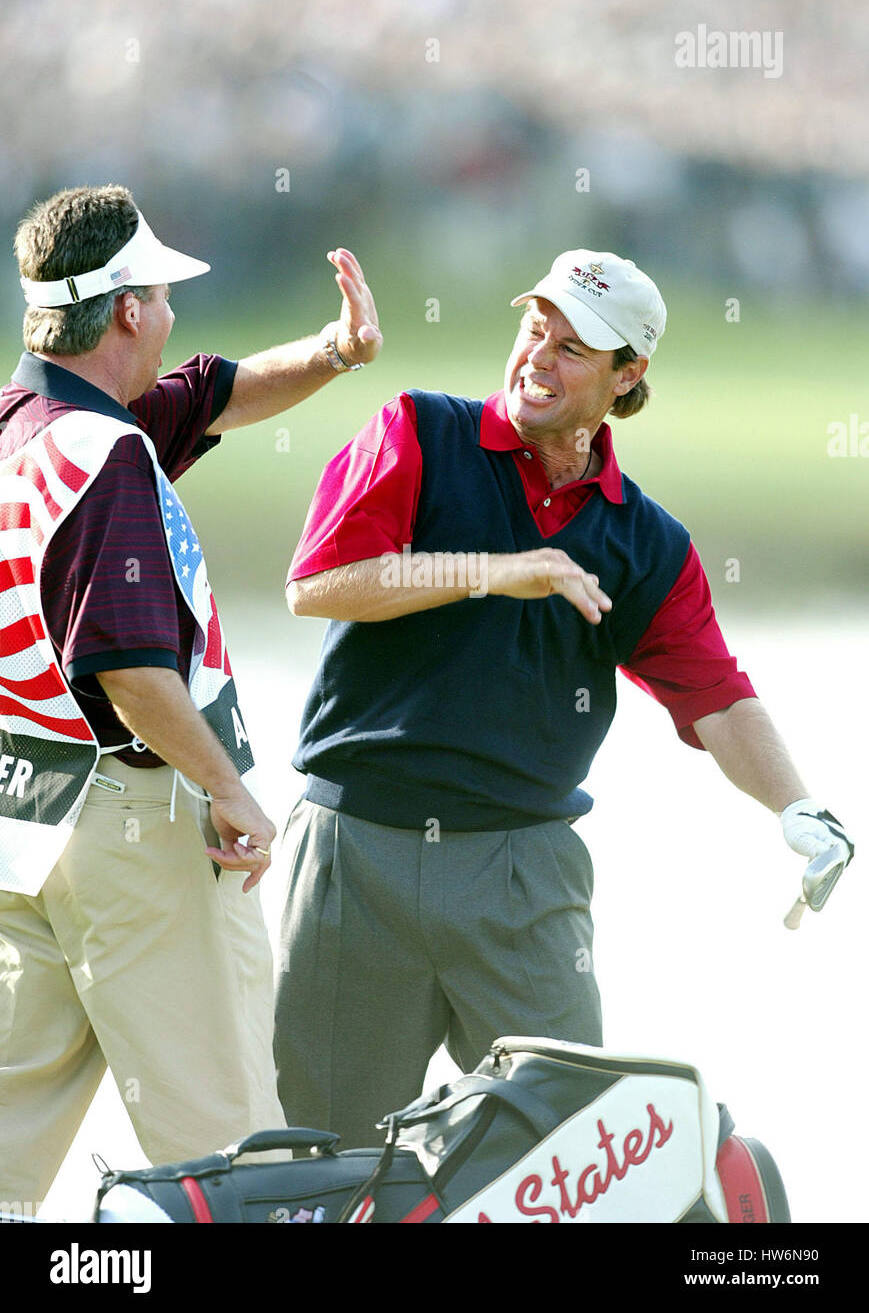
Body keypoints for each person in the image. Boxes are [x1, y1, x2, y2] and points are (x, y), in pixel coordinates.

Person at [274, 249, 855, 1148]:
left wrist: (797, 805)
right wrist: (497, 572)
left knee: (567, 1151)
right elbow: (319, 583)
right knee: (327, 1155)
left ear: (628, 376)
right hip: (357, 852)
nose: (538, 358)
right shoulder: (419, 431)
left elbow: (716, 697)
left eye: (573, 348)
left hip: (522, 873)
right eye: (533, 330)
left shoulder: (645, 540)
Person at [0, 184, 381, 1210]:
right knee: (234, 1149)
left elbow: (209, 394)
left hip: (24, 826)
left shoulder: (28, 427)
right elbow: (131, 671)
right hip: (138, 829)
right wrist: (228, 790)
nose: (171, 311)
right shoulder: (108, 453)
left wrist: (335, 350)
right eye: (161, 293)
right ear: (127, 309)